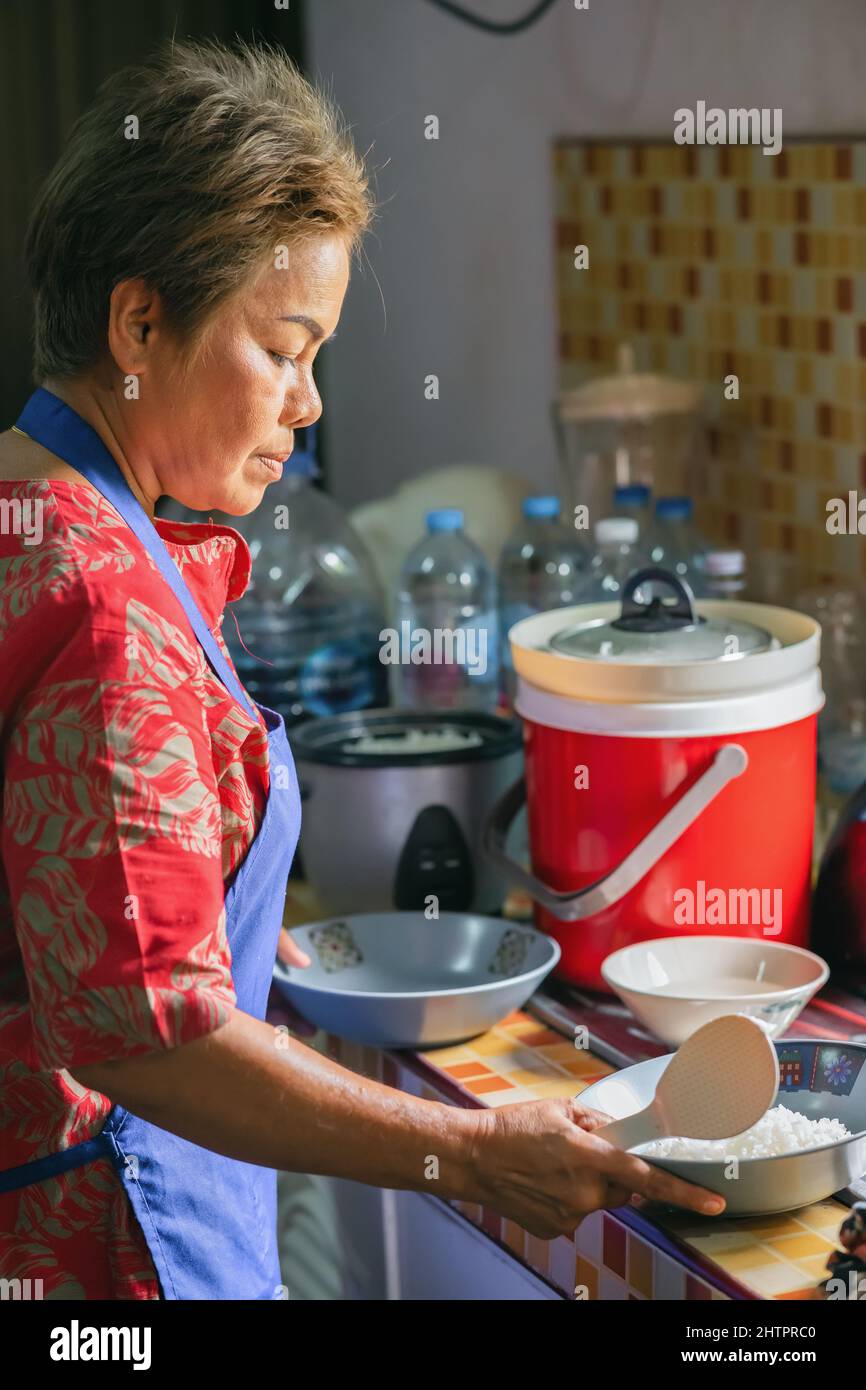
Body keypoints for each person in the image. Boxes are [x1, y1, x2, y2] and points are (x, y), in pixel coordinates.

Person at [0, 38, 725, 1301]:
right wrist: (472, 1154)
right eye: (282, 349)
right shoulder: (109, 608)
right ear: (138, 321)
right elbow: (150, 1036)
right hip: (108, 1249)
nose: (311, 401)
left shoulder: (35, 503)